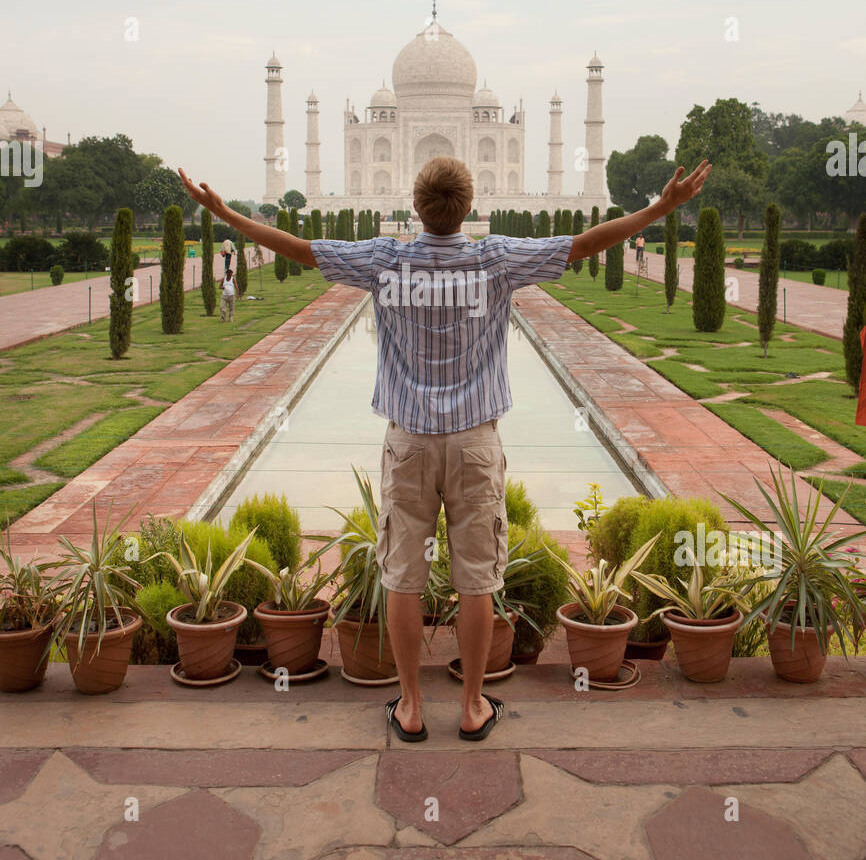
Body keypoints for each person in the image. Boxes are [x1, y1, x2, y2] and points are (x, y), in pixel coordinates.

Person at [178, 155, 710, 741]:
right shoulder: (496, 258)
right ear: (470, 205)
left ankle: (410, 706)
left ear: (415, 206)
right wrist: (661, 210)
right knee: (477, 578)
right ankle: (473, 705)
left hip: (408, 441)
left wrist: (224, 213)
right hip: (475, 442)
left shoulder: (385, 259)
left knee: (403, 577)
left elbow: (301, 249)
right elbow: (583, 246)